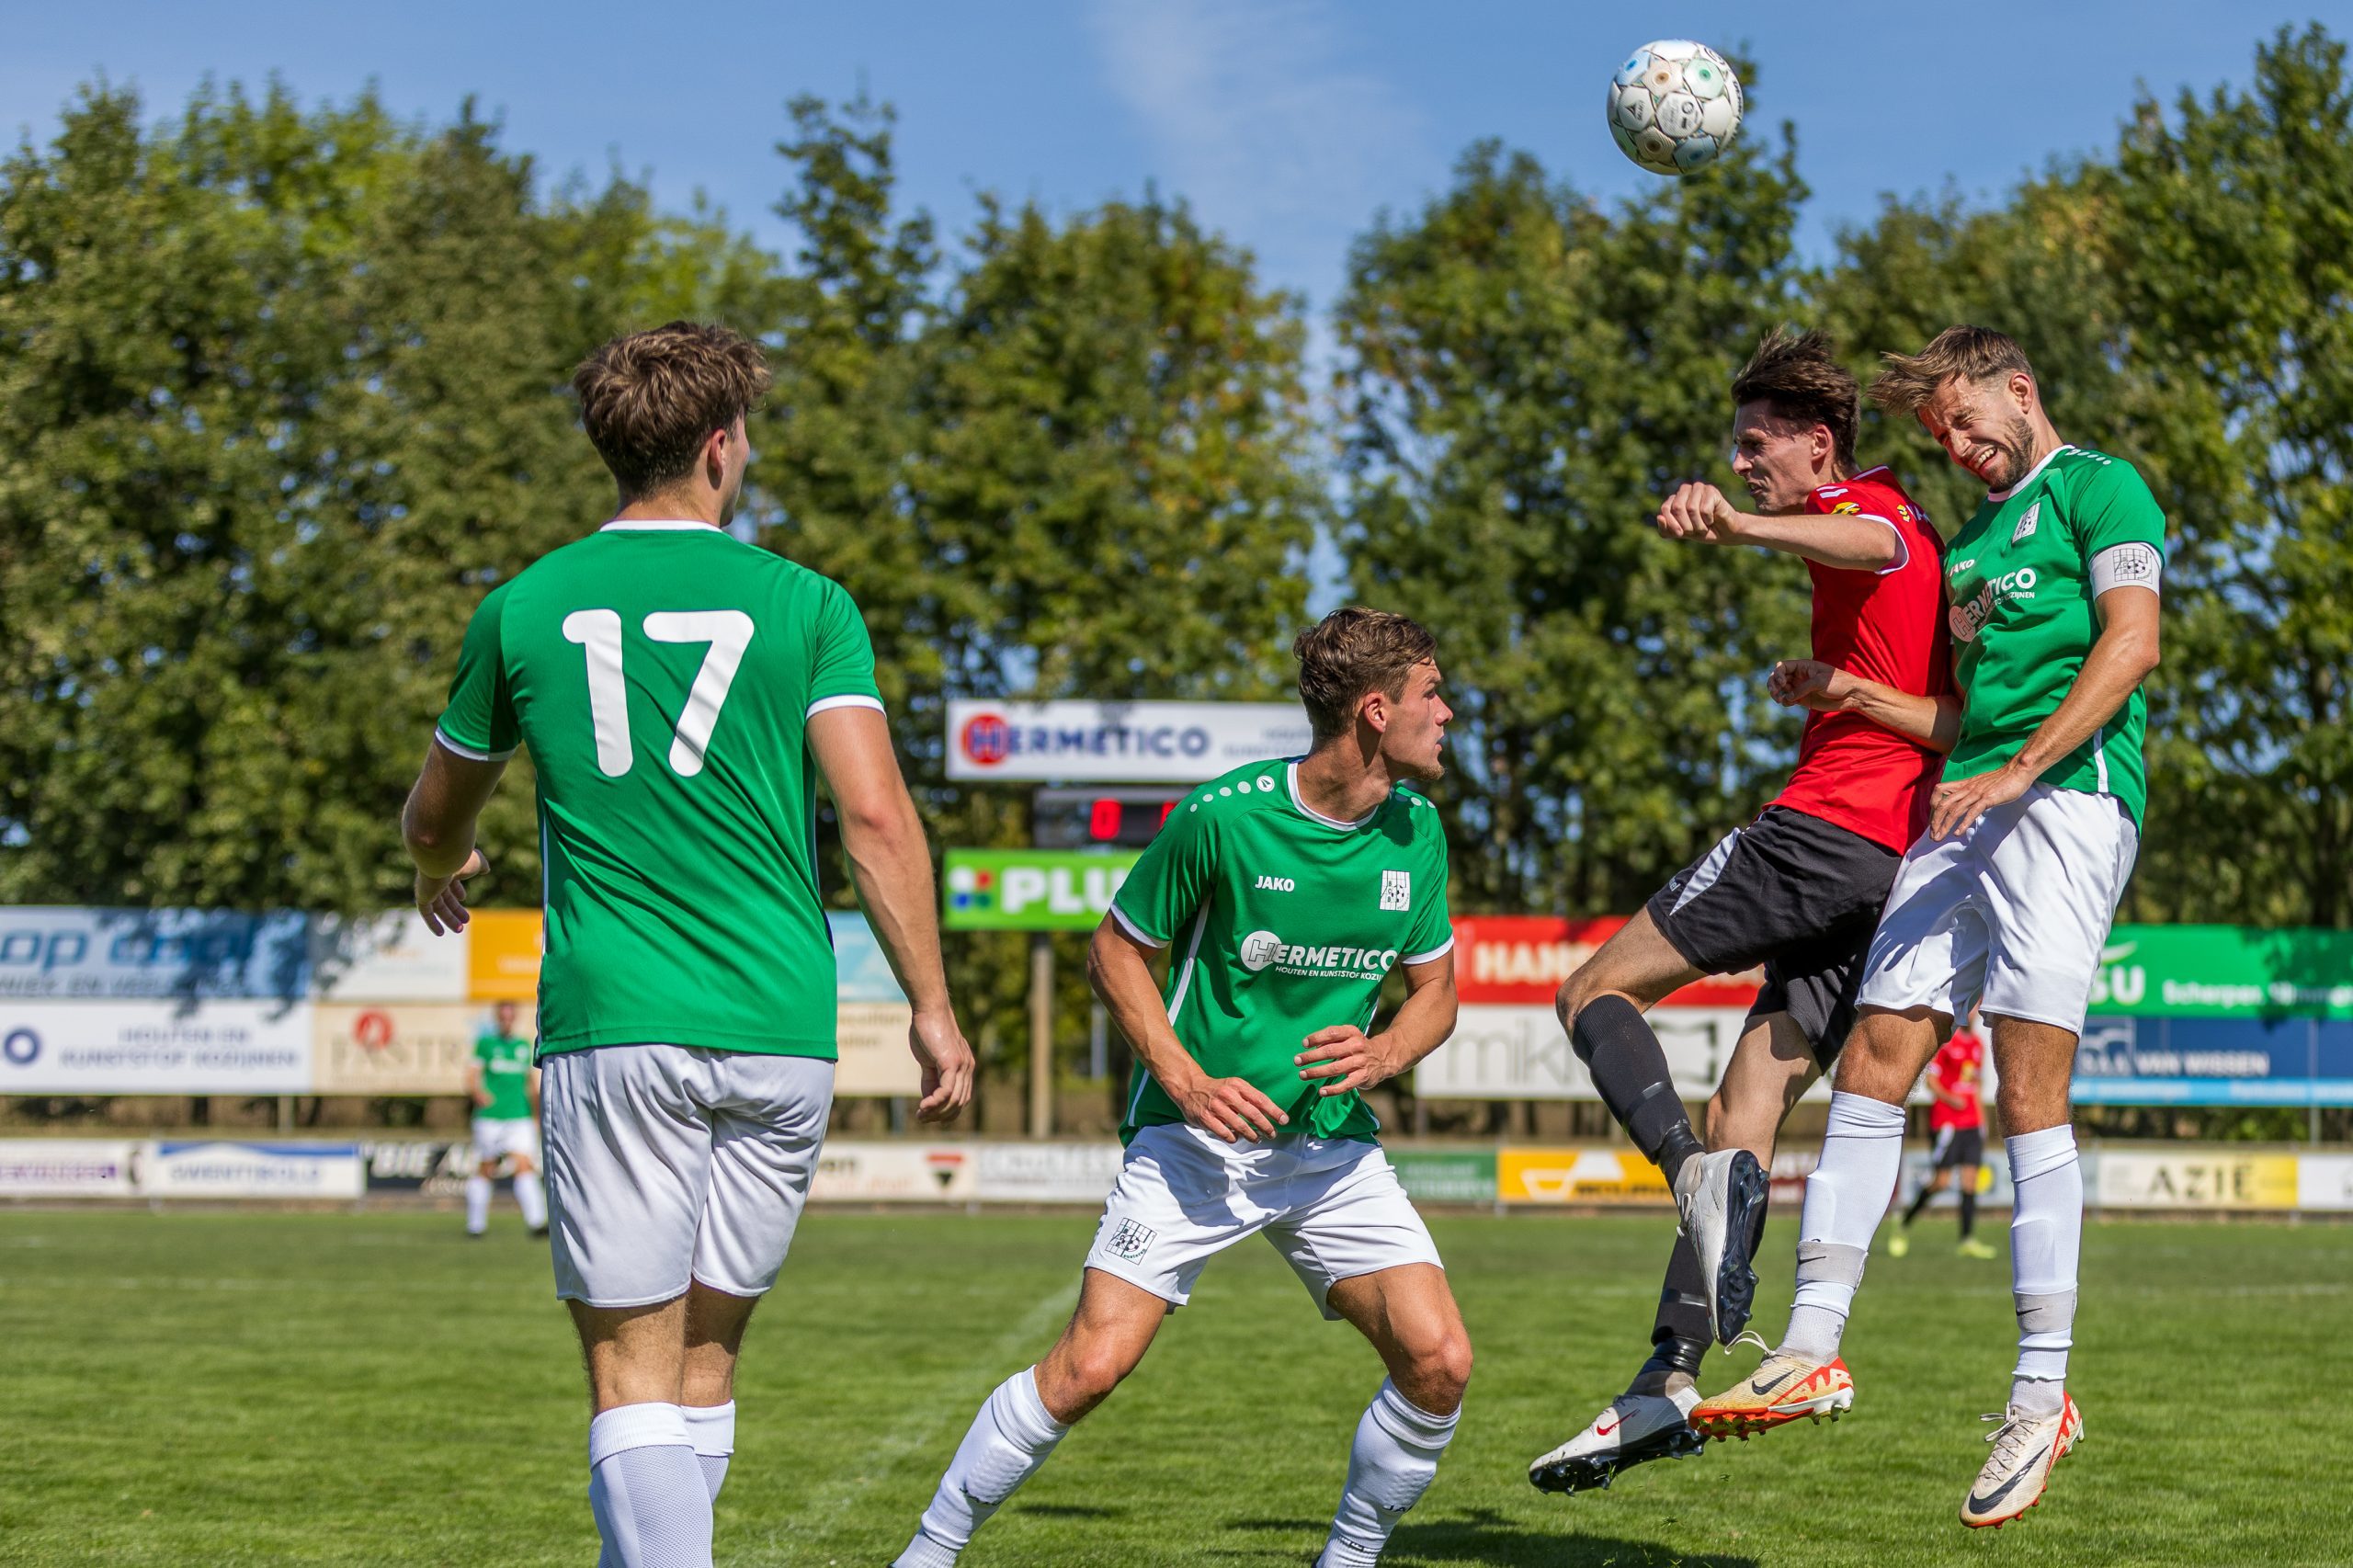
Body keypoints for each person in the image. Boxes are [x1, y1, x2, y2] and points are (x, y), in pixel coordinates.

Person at [400, 320, 974, 1568]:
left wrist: (442, 866)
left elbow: (436, 815)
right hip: (782, 1027)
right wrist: (931, 1004)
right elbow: (877, 818)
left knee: (631, 1368)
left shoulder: (523, 606)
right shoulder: (808, 604)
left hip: (620, 1021)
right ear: (720, 446)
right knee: (702, 1360)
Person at [1690, 325, 2164, 1530]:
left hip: (2066, 800)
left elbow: (2131, 642)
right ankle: (1811, 1344)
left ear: (2022, 388)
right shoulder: (1968, 551)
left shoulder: (2100, 489)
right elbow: (1956, 719)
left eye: (1965, 418)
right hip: (1968, 805)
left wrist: (2021, 769)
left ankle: (2040, 1393)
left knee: (2024, 1082)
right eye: (1938, 432)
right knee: (1875, 1051)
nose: (1955, 444)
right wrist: (1852, 691)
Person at [893, 608, 1467, 1568]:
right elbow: (1116, 951)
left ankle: (1347, 1559)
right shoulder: (1223, 816)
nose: (1446, 713)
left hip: (1330, 1146)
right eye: (1432, 694)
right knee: (1088, 1368)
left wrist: (1383, 1055)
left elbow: (1436, 992)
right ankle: (927, 1551)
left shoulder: (1417, 832)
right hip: (1193, 1146)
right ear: (1376, 710)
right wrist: (1186, 1079)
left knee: (1439, 1362)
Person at [1530, 329, 1952, 1494]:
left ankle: (1682, 1170)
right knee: (1745, 1104)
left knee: (1591, 989)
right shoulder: (1921, 532)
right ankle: (1664, 1380)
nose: (1740, 460)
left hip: (1821, 832)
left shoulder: (1872, 514)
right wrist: (1839, 685)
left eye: (1755, 442)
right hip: (1887, 867)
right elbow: (1932, 688)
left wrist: (1740, 524)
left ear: (1819, 444)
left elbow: (1861, 539)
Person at [1889, 1012, 1995, 1259]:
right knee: (1942, 1181)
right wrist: (1951, 1098)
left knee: (1970, 1180)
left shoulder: (1977, 1045)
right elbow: (1932, 1082)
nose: (1973, 1012)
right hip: (1947, 1123)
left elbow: (1976, 1086)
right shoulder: (1947, 1042)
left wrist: (1982, 1121)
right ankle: (1904, 1221)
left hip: (1971, 1123)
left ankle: (1967, 1239)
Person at [465, 999, 547, 1237]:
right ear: (497, 1018)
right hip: (490, 1117)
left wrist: (536, 1115)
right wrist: (478, 1093)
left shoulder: (523, 1046)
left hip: (519, 1116)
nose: (507, 1021)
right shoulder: (486, 1044)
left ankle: (536, 1223)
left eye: (511, 1017)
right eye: (503, 1017)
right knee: (486, 1167)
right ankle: (476, 1226)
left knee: (524, 1165)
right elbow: (472, 1075)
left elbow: (531, 1084)